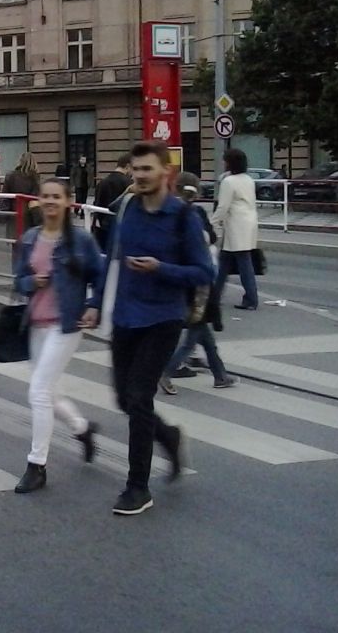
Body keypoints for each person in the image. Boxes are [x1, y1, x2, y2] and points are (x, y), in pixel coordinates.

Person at [87, 140, 215, 516]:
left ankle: (137, 487)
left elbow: (204, 271)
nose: (140, 176)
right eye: (136, 169)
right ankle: (170, 437)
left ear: (165, 173)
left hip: (163, 317)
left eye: (147, 169)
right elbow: (110, 258)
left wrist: (161, 268)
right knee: (124, 399)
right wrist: (95, 304)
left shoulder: (182, 216)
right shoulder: (127, 208)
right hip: (125, 314)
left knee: (140, 397)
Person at [12, 178, 104, 493]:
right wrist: (30, 283)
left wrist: (93, 305)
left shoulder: (80, 240)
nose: (50, 201)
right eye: (45, 196)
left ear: (68, 202)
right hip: (35, 323)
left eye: (56, 197)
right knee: (49, 394)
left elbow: (99, 276)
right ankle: (82, 429)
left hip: (66, 325)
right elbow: (18, 278)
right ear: (38, 201)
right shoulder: (29, 238)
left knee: (37, 391)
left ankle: (37, 466)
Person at [161, 173, 237, 394]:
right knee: (195, 329)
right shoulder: (196, 213)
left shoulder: (170, 212)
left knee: (202, 330)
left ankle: (220, 375)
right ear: (197, 192)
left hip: (181, 277)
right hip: (199, 281)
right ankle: (167, 371)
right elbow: (211, 238)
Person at [212, 147, 260, 311]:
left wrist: (212, 223)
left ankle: (251, 299)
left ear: (230, 163)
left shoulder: (229, 181)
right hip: (248, 223)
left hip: (236, 225)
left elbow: (223, 206)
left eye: (225, 160)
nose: (223, 162)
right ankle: (215, 295)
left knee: (242, 262)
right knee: (225, 262)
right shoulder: (248, 179)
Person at [92, 153, 133, 250]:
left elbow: (97, 204)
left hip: (101, 228)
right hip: (121, 229)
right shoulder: (129, 184)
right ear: (128, 166)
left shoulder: (102, 182)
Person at [1, 152, 42, 234]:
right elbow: (35, 198)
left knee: (15, 240)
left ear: (20, 161)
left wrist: (2, 214)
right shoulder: (35, 178)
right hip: (29, 216)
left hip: (14, 213)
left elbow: (5, 196)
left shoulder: (11, 176)